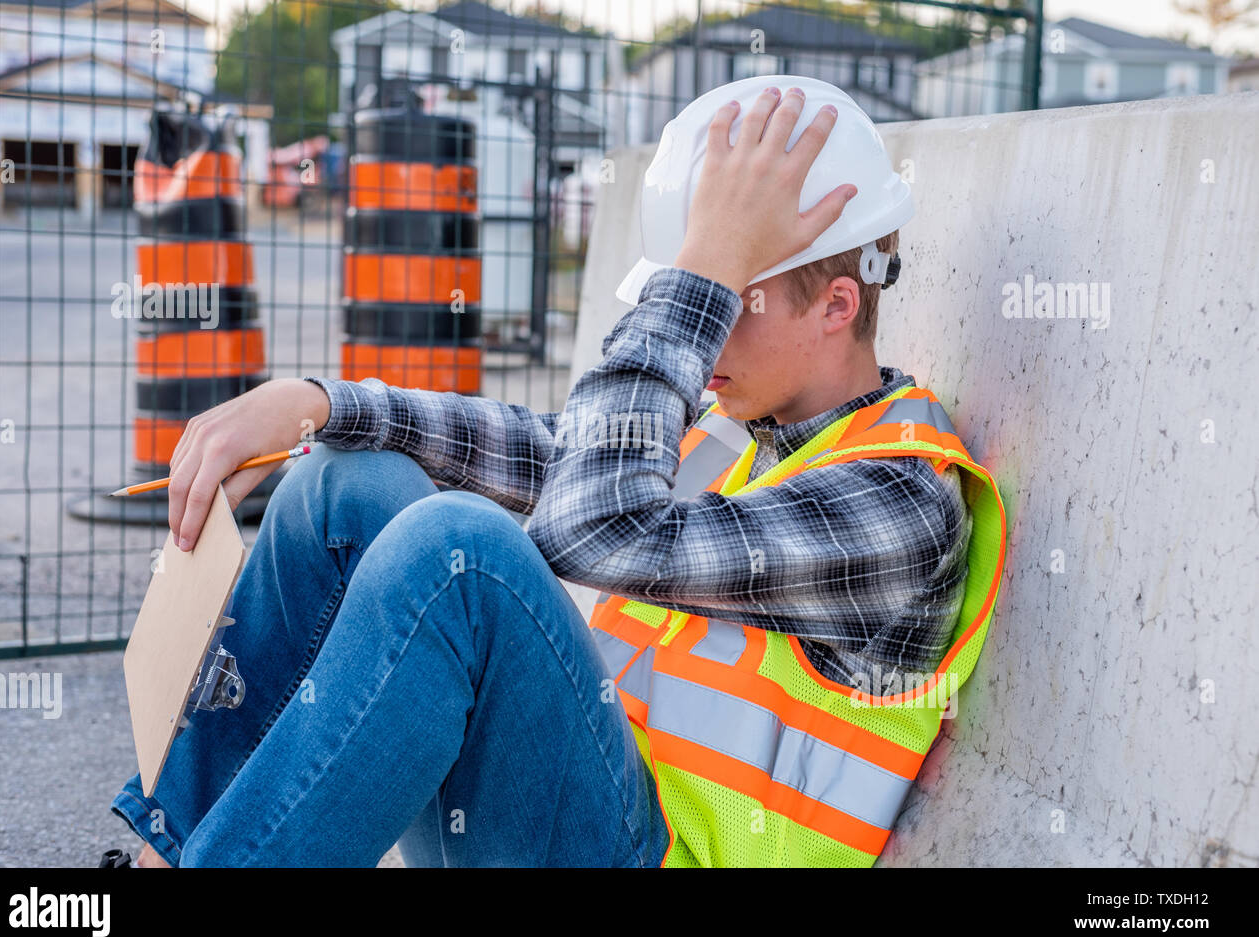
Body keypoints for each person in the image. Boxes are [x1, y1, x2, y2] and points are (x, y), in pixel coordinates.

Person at [111, 78, 1004, 867]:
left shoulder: (896, 502)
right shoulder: (756, 430)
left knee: (458, 554)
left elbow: (592, 525)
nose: (699, 345)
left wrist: (702, 277)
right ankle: (174, 854)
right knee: (348, 489)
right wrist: (321, 401)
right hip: (579, 809)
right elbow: (553, 453)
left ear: (836, 307)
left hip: (648, 852)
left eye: (725, 305)